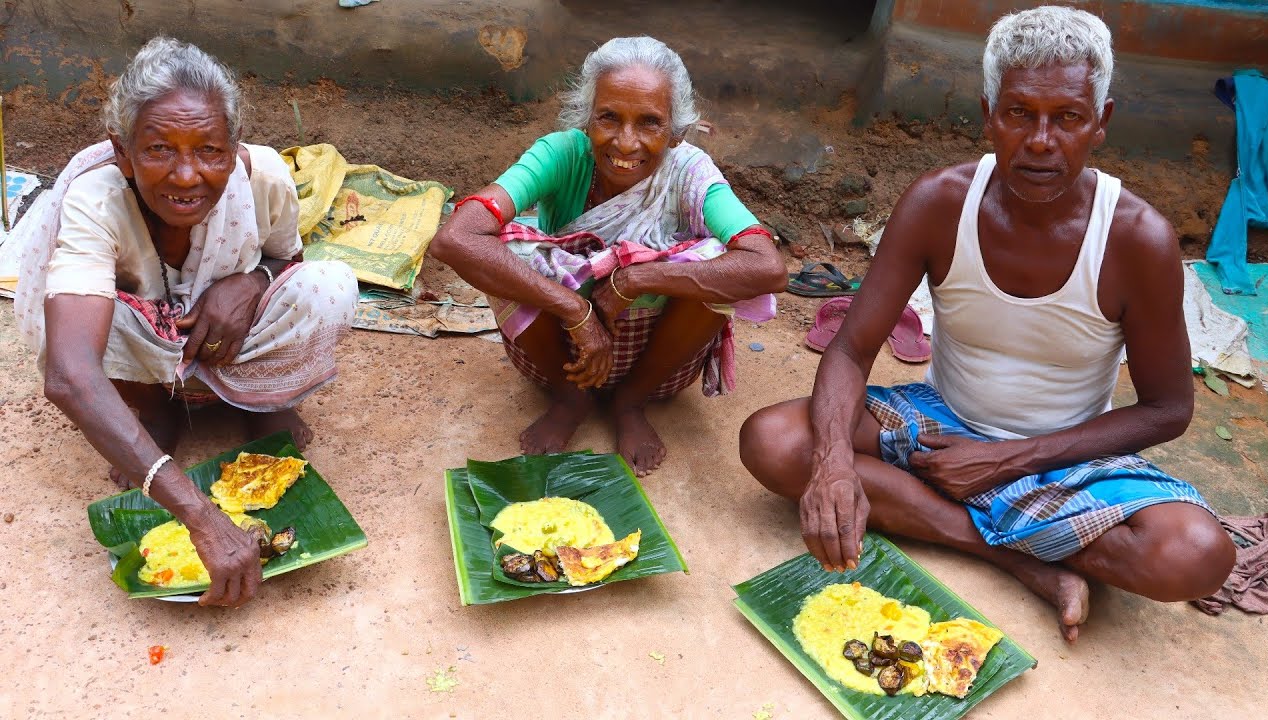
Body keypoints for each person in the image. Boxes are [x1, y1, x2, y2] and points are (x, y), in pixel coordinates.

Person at [738, 6, 1235, 642]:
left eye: (1069, 118)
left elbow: (1168, 409)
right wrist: (834, 461)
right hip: (938, 430)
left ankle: (969, 521)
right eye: (1020, 112)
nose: (1040, 141)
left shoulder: (1137, 237)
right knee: (775, 441)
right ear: (987, 113)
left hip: (1065, 455)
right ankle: (1013, 554)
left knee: (1196, 554)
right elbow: (852, 348)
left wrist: (1006, 460)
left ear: (1101, 124)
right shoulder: (939, 203)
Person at [12, 37, 358, 607]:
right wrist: (201, 516)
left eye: (209, 150)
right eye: (158, 150)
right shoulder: (95, 199)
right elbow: (69, 372)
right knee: (67, 330)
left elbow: (287, 259)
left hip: (221, 339)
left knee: (329, 287)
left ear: (234, 148)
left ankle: (262, 401)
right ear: (122, 152)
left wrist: (253, 281)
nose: (187, 175)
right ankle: (157, 409)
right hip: (150, 347)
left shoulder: (263, 177)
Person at [430, 36, 785, 475]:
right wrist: (576, 309)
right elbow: (455, 238)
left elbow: (767, 266)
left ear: (676, 133)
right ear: (586, 119)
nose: (625, 143)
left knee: (718, 260)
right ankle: (569, 397)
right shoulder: (561, 153)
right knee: (502, 251)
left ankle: (630, 403)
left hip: (661, 363)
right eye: (609, 118)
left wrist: (635, 280)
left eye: (650, 122)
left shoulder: (691, 172)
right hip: (561, 352)